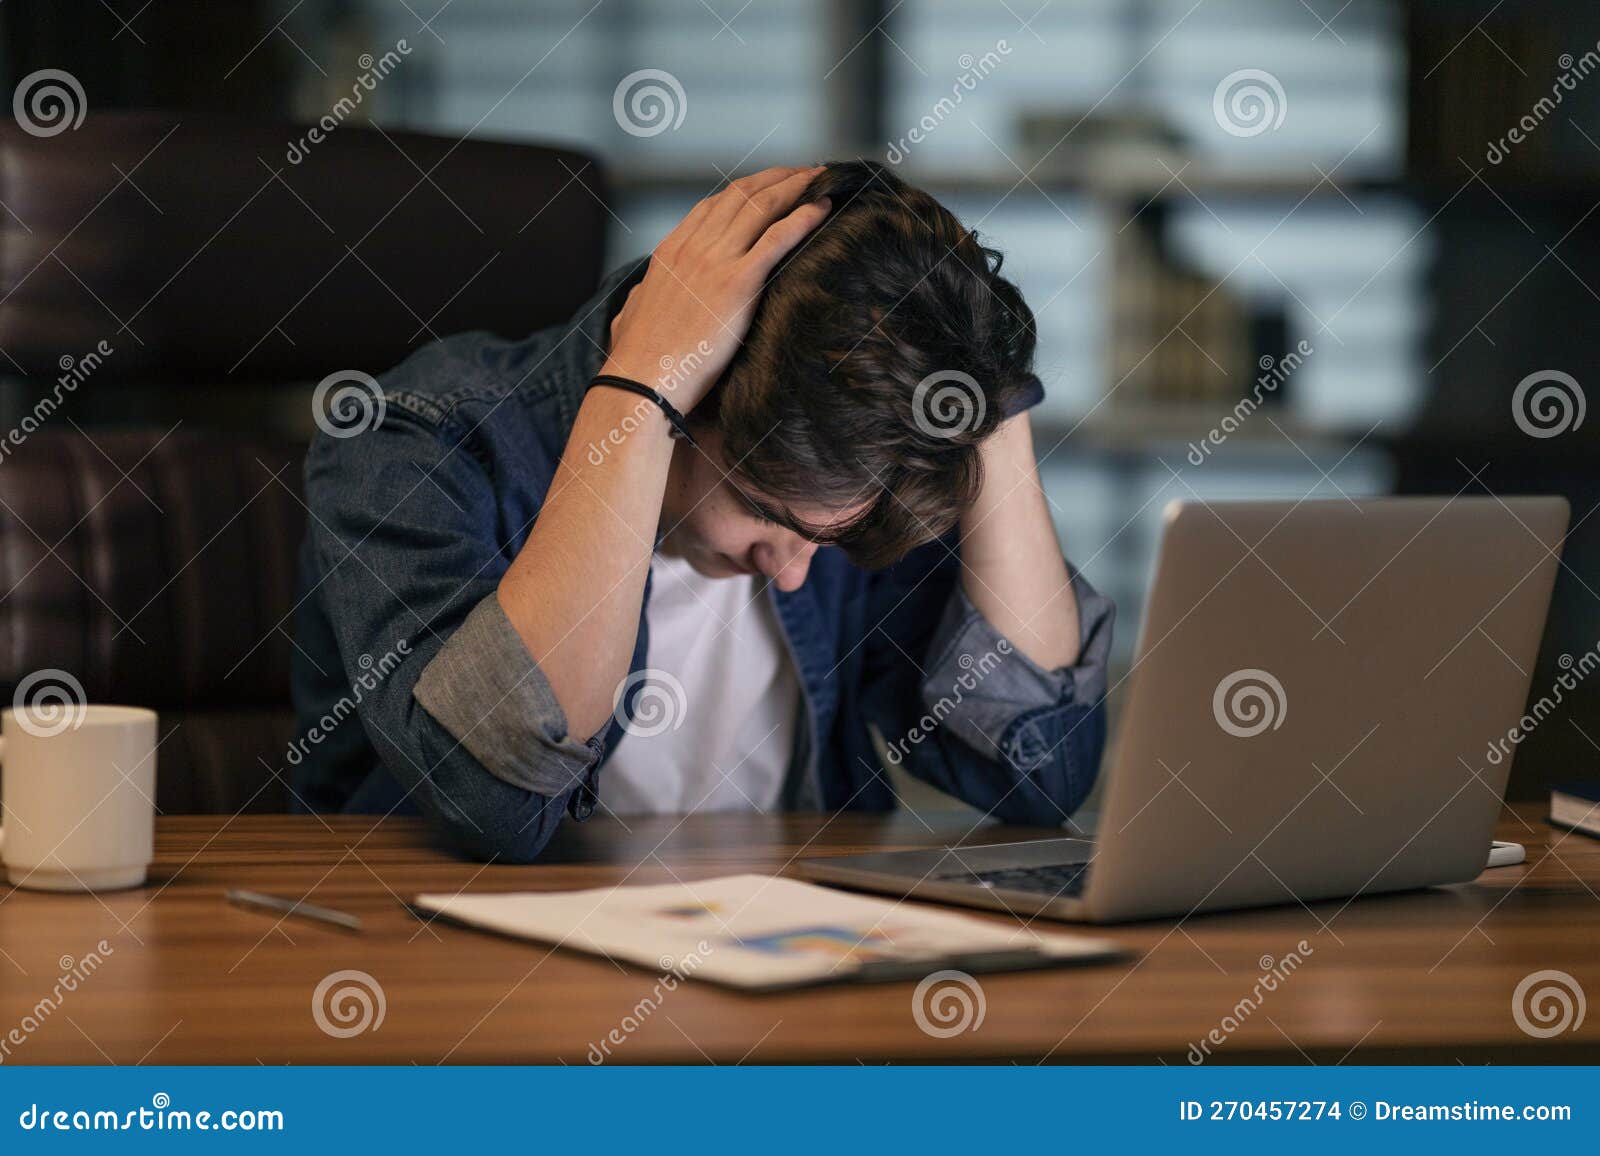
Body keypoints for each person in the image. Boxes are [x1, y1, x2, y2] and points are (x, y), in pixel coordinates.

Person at [289, 160, 1113, 862]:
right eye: (766, 515)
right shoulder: (413, 441)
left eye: (829, 538)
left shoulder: (851, 472)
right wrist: (639, 387)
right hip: (468, 985)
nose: (795, 571)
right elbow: (493, 804)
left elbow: (1044, 771)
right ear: (694, 388)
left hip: (782, 962)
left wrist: (988, 390)